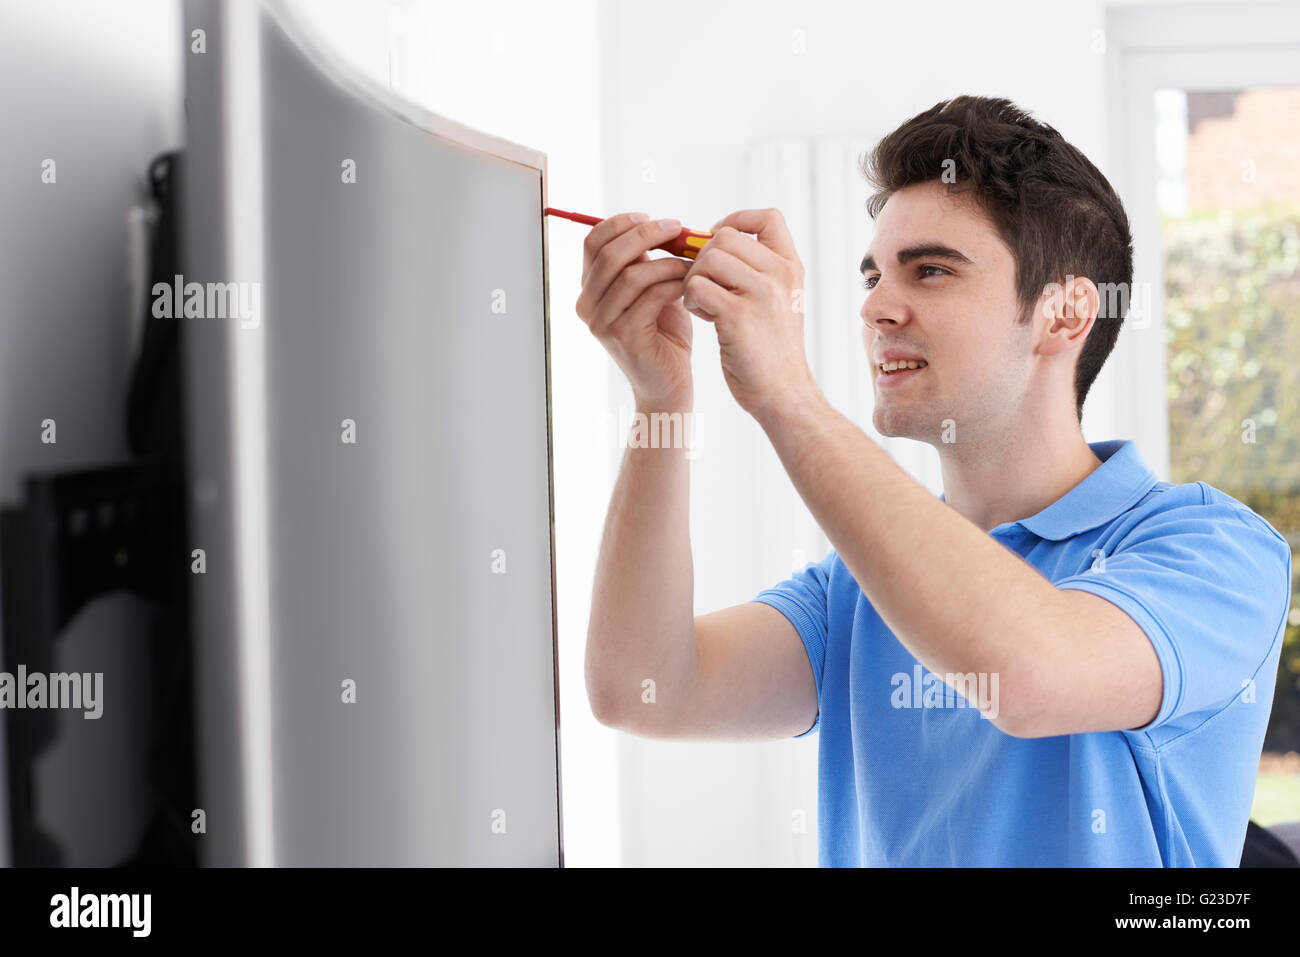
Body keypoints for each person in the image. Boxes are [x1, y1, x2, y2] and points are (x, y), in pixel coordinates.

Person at [576, 95, 1292, 866]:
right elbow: (642, 685)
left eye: (930, 270)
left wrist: (786, 392)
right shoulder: (858, 588)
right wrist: (661, 398)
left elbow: (1024, 672)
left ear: (1063, 314)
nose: (877, 308)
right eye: (874, 275)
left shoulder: (1214, 549)